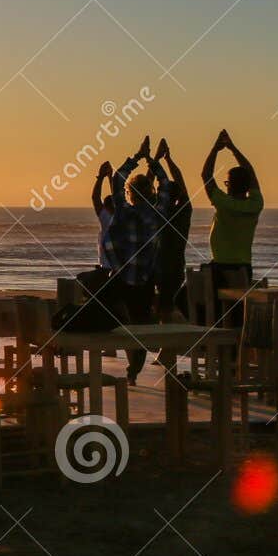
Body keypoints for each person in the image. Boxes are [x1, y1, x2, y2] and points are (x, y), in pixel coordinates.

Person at [101, 136, 171, 384]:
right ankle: (133, 373)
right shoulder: (158, 214)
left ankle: (118, 334)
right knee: (139, 327)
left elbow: (118, 177)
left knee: (117, 316)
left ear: (130, 194)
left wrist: (138, 156)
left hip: (122, 276)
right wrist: (153, 161)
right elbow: (165, 183)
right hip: (143, 280)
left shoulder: (124, 211)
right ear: (150, 193)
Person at [201, 128, 263, 287]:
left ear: (229, 186)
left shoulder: (223, 203)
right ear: (248, 186)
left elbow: (206, 174)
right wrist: (232, 148)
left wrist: (216, 149)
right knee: (237, 308)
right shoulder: (255, 205)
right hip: (243, 267)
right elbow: (251, 174)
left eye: (227, 183)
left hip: (221, 267)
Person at [152, 138, 192, 320]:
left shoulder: (162, 213)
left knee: (165, 308)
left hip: (168, 267)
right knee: (165, 307)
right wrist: (166, 159)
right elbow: (181, 184)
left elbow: (144, 187)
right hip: (170, 266)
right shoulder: (181, 211)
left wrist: (157, 159)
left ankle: (171, 341)